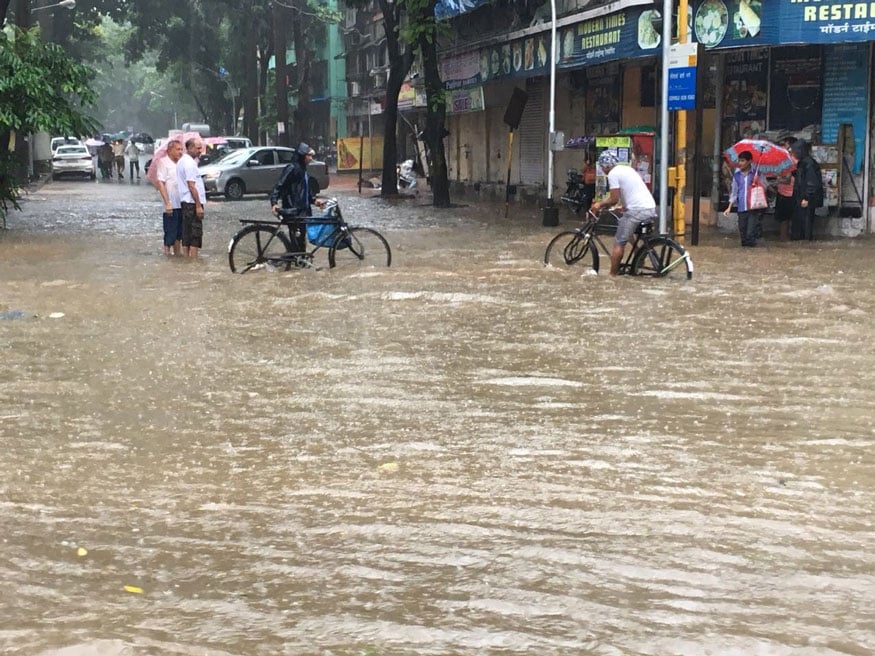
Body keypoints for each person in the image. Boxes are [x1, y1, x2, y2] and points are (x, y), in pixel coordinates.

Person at [589, 149, 658, 276]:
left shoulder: (613, 174)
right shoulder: (627, 169)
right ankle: (639, 253)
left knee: (619, 243)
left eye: (602, 167)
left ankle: (612, 276)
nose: (602, 170)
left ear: (607, 165)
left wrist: (599, 204)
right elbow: (629, 192)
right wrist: (624, 207)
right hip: (649, 208)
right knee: (624, 221)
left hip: (637, 210)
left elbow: (613, 199)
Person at [269, 142, 325, 252]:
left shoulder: (303, 170)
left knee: (301, 241)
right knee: (297, 243)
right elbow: (279, 185)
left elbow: (305, 192)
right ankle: (294, 263)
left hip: (302, 212)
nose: (311, 158)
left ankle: (299, 264)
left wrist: (314, 201)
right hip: (293, 211)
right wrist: (274, 202)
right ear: (302, 156)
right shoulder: (291, 168)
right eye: (308, 156)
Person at [723, 150, 762, 247]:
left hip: (753, 206)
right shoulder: (737, 176)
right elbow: (734, 192)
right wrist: (729, 207)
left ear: (749, 161)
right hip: (741, 207)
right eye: (739, 161)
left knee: (750, 233)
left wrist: (757, 183)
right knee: (743, 233)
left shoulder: (756, 174)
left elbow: (763, 187)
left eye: (743, 161)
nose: (740, 163)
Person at [176, 137, 206, 257]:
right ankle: (193, 261)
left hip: (186, 202)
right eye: (198, 148)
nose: (200, 151)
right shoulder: (189, 164)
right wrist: (198, 205)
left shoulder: (182, 161)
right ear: (190, 148)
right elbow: (191, 185)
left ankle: (186, 262)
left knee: (186, 233)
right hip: (192, 203)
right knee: (195, 235)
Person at [789, 140, 823, 241]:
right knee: (799, 221)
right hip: (800, 197)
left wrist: (806, 197)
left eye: (795, 151)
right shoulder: (803, 163)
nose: (794, 154)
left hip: (806, 198)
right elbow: (802, 178)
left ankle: (805, 241)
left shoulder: (809, 164)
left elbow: (811, 182)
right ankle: (801, 240)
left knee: (805, 222)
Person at [155, 139, 184, 256]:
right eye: (178, 149)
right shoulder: (163, 162)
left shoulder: (182, 163)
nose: (180, 152)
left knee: (179, 235)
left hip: (182, 203)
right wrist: (167, 202)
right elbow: (160, 183)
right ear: (170, 150)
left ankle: (177, 257)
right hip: (170, 205)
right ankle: (167, 255)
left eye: (182, 149)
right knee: (169, 234)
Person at [772, 136, 797, 242]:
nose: (783, 147)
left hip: (787, 193)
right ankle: (786, 240)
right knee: (787, 219)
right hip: (787, 192)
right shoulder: (792, 159)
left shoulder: (789, 160)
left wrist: (776, 181)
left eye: (785, 145)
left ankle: (784, 240)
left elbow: (786, 179)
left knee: (784, 220)